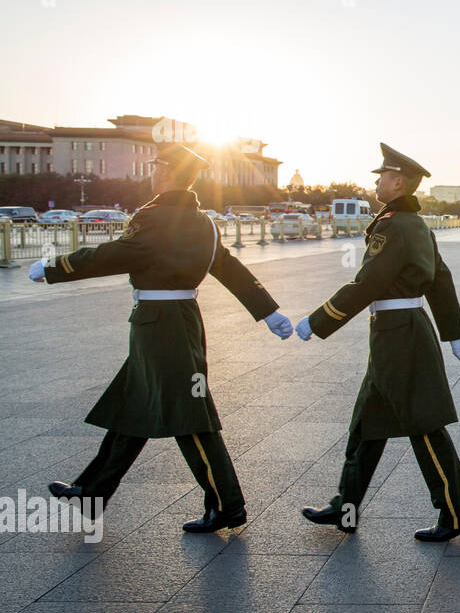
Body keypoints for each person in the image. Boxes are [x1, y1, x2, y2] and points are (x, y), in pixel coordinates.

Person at [32, 143, 294, 532]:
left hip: (159, 326)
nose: (152, 173)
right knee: (132, 407)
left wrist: (55, 266)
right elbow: (228, 267)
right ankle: (91, 492)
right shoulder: (203, 222)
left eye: (157, 167)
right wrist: (268, 310)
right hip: (182, 319)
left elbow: (116, 254)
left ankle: (227, 505)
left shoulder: (153, 217)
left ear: (168, 173)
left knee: (190, 413)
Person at [298, 142, 460, 542]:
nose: (376, 181)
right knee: (367, 425)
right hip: (398, 333)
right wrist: (454, 334)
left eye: (381, 176)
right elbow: (441, 279)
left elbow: (369, 282)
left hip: (400, 336)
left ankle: (454, 515)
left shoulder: (395, 225)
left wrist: (320, 319)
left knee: (425, 427)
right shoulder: (415, 225)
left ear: (398, 182)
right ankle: (345, 507)